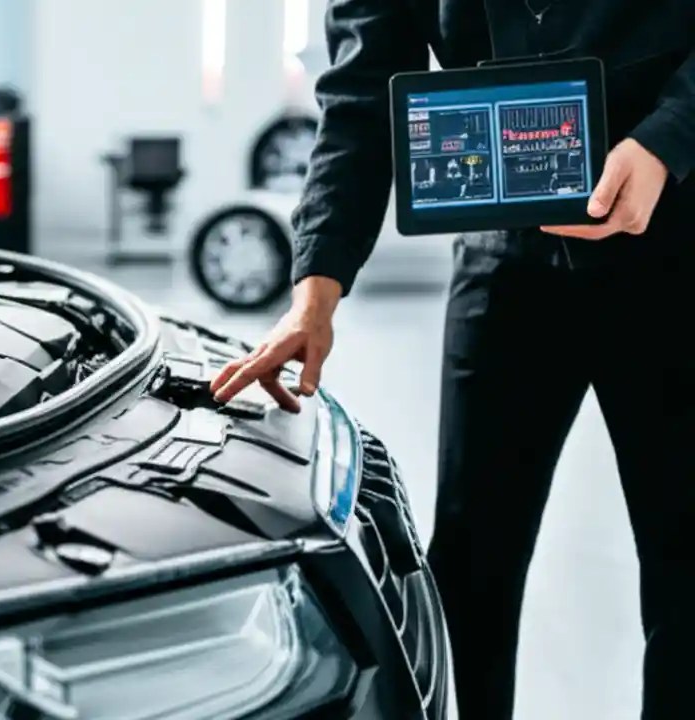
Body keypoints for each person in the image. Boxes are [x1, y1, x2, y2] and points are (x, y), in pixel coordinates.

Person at [208, 2, 694, 719]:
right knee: (472, 567)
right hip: (507, 263)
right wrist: (315, 296)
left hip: (676, 249)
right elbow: (361, 99)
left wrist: (666, 140)